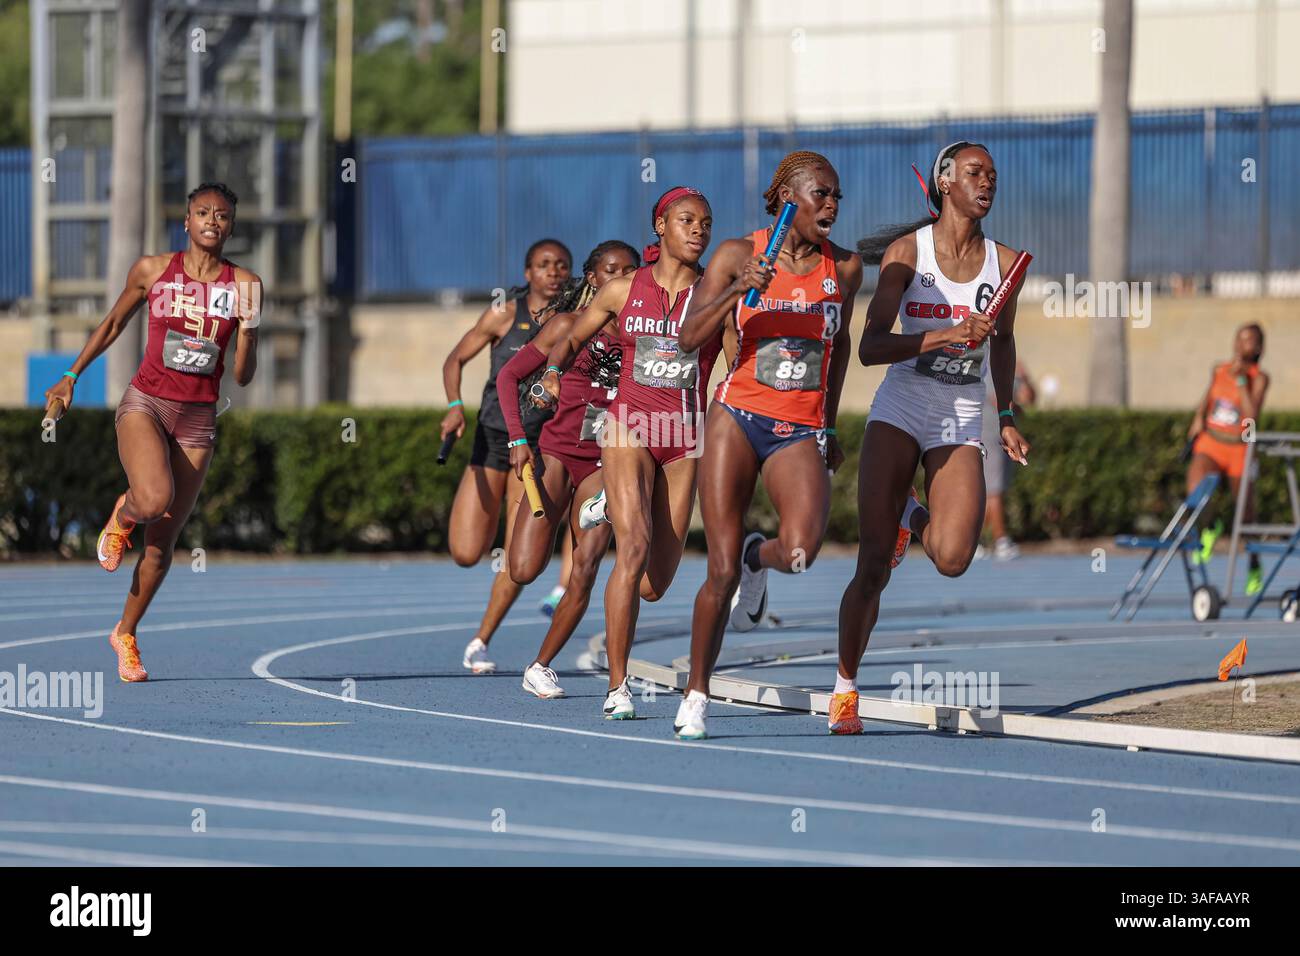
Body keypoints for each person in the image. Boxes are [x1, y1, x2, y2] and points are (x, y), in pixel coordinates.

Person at [830, 141, 1031, 734]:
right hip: (903, 402)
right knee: (872, 565)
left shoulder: (1008, 261)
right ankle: (845, 685)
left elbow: (1005, 341)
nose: (987, 182)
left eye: (992, 174)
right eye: (974, 173)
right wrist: (945, 333)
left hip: (961, 410)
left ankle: (909, 517)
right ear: (946, 183)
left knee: (951, 557)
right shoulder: (906, 254)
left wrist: (1009, 415)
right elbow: (870, 348)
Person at [671, 151, 862, 739]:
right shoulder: (737, 253)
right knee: (720, 571)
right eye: (820, 195)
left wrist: (827, 425)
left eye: (836, 196)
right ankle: (697, 692)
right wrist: (736, 293)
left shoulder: (846, 267)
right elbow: (685, 338)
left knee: (801, 551)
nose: (831, 205)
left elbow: (842, 347)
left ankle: (763, 556)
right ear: (788, 199)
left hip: (799, 427)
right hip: (737, 415)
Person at [42, 182, 261, 682]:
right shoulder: (152, 270)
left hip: (197, 419)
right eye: (202, 212)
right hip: (146, 403)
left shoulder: (245, 286)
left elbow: (243, 375)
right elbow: (114, 323)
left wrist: (249, 330)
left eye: (222, 215)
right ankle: (123, 513)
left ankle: (125, 634)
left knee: (162, 545)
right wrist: (72, 376)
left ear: (231, 226)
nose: (212, 221)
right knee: (153, 496)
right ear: (186, 221)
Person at [538, 186, 723, 720]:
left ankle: (616, 509)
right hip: (629, 424)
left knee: (653, 584)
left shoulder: (715, 293)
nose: (698, 231)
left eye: (706, 224)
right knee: (634, 547)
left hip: (684, 436)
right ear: (660, 227)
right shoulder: (623, 290)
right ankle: (618, 687)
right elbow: (572, 336)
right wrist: (552, 371)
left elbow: (736, 363)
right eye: (687, 220)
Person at [494, 241, 640, 698]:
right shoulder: (567, 325)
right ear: (594, 279)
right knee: (521, 568)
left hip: (606, 457)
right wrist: (519, 440)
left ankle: (541, 665)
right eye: (612, 271)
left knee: (586, 566)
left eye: (631, 271)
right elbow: (508, 377)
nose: (623, 279)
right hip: (557, 453)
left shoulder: (648, 337)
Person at [439, 239, 572, 673]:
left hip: (536, 447)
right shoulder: (504, 312)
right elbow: (455, 359)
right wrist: (454, 406)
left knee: (518, 557)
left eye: (561, 266)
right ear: (528, 271)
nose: (553, 272)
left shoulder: (576, 320)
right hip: (492, 440)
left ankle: (480, 640)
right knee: (465, 551)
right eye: (543, 265)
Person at [1186, 323, 1269, 595]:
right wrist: (1198, 418)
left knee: (1246, 514)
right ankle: (1210, 527)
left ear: (1257, 347)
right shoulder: (1219, 370)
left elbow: (1251, 417)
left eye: (1249, 340)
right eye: (1239, 338)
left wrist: (1241, 381)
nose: (1241, 344)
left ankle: (1254, 564)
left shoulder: (1259, 378)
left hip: (1239, 449)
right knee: (1196, 491)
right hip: (1212, 443)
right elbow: (1208, 397)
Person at [976, 359, 1036, 560]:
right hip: (990, 435)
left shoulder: (1011, 364)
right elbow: (998, 400)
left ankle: (972, 539)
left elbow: (1030, 398)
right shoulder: (987, 362)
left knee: (994, 491)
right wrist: (1017, 409)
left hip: (1004, 437)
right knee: (994, 490)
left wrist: (1025, 379)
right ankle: (1001, 540)